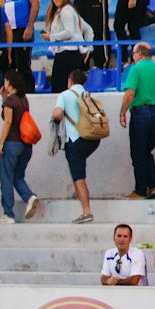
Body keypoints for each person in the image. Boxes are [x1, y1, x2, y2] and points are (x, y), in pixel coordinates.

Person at [113, 41, 155, 200]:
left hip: (141, 113)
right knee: (147, 151)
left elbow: (130, 93)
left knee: (138, 151)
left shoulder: (136, 69)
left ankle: (140, 189)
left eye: (134, 54)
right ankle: (153, 186)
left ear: (139, 54)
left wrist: (123, 112)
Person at [48, 67, 100, 222]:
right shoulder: (89, 95)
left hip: (75, 140)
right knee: (79, 172)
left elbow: (57, 113)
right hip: (92, 139)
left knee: (79, 177)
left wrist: (57, 118)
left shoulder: (65, 95)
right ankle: (84, 206)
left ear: (70, 81)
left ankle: (86, 212)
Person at [0, 70, 38, 224]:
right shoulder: (23, 99)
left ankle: (8, 214)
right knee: (18, 176)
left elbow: (8, 122)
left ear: (9, 82)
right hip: (26, 144)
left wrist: (0, 144)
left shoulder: (10, 101)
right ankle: (29, 196)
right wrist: (3, 97)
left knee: (6, 178)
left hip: (12, 143)